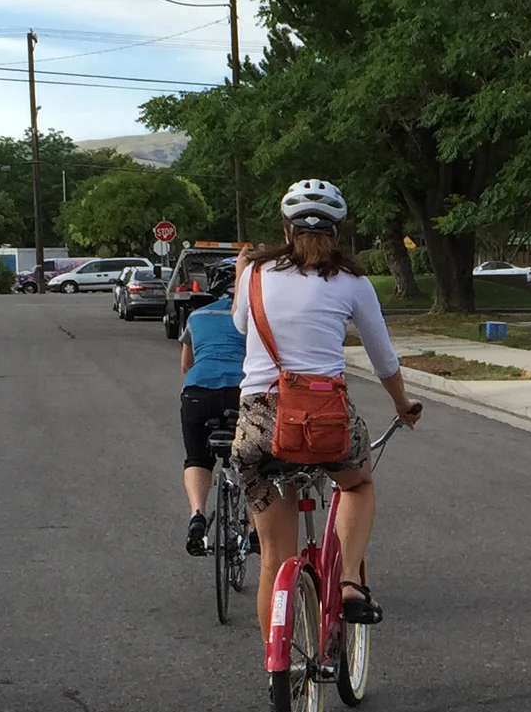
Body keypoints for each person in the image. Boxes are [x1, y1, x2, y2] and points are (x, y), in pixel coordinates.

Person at [228, 179, 422, 644]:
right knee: (359, 482)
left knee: (274, 560)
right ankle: (351, 580)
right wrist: (403, 404)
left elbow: (240, 324)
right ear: (337, 231)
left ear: (285, 228)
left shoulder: (254, 274)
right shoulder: (352, 282)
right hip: (327, 420)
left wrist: (241, 276)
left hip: (258, 424)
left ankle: (280, 667)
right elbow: (384, 360)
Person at [178, 257, 247, 554]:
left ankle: (197, 514)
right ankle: (256, 530)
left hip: (198, 391)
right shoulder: (254, 316)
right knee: (258, 462)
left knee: (197, 458)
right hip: (241, 392)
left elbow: (185, 364)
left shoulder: (196, 316)